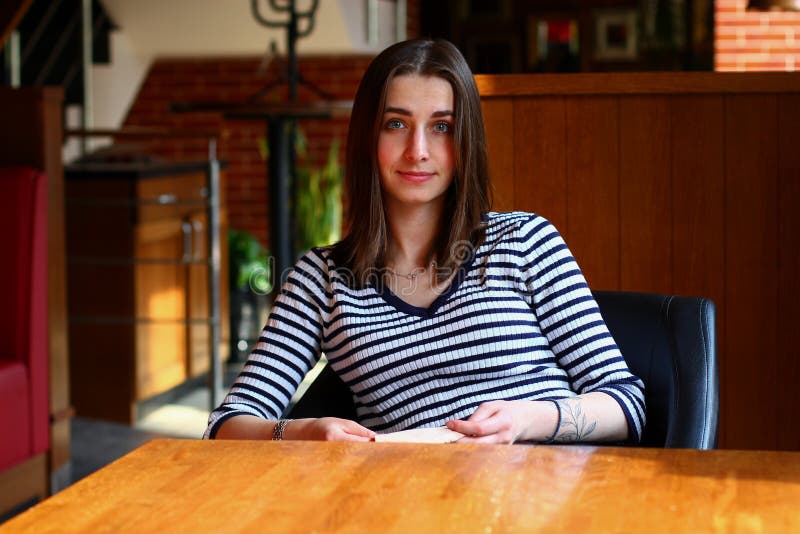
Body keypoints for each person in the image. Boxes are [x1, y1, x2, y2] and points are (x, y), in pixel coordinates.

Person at [204, 38, 645, 444]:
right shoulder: (320, 281)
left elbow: (626, 404)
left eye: (441, 127)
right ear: (367, 137)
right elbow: (225, 424)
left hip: (560, 501)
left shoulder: (526, 240)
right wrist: (301, 434)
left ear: (465, 140)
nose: (417, 150)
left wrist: (527, 420)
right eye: (396, 123)